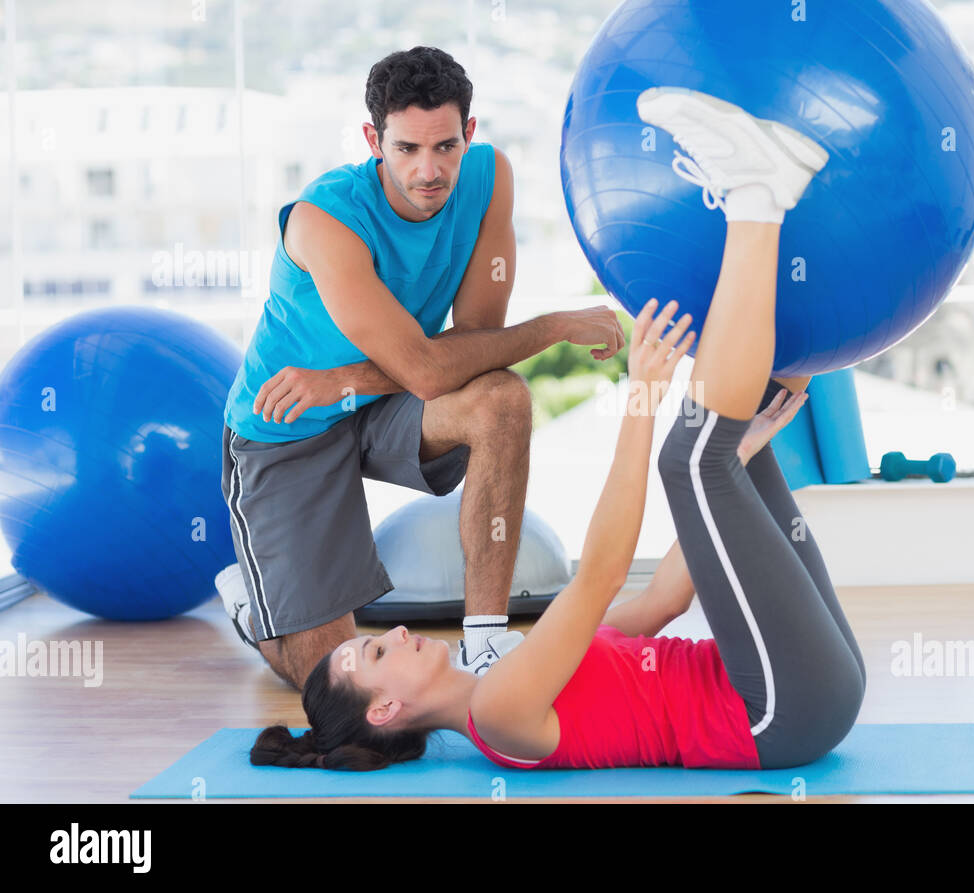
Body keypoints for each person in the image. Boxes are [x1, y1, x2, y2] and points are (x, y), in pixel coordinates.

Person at [251, 85, 866, 771]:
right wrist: (642, 398)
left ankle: (777, 198)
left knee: (727, 447)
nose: (391, 629)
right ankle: (757, 196)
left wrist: (741, 470)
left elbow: (661, 599)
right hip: (778, 711)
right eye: (374, 652)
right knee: (689, 461)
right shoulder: (499, 715)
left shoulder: (513, 664)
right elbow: (600, 573)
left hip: (806, 684)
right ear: (385, 710)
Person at [215, 46, 625, 690]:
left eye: (445, 147)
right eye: (406, 149)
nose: (428, 171)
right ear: (373, 139)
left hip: (379, 405)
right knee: (337, 682)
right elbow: (433, 371)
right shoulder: (326, 219)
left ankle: (487, 643)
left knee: (501, 398)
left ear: (469, 133)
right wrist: (555, 327)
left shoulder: (490, 179)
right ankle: (256, 601)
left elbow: (477, 342)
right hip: (285, 426)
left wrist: (349, 380)